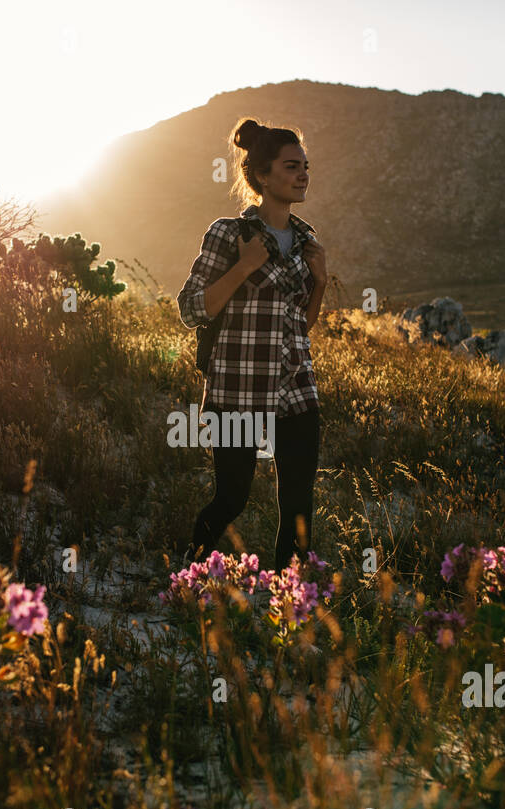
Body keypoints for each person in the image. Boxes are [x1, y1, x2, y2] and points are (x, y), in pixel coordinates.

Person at [178, 117, 329, 571]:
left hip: (297, 390)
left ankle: (291, 603)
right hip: (236, 390)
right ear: (262, 175)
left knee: (299, 504)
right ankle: (190, 570)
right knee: (232, 497)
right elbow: (190, 309)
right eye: (291, 166)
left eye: (305, 165)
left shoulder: (307, 242)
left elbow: (301, 329)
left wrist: (319, 282)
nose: (302, 174)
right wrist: (243, 267)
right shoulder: (229, 234)